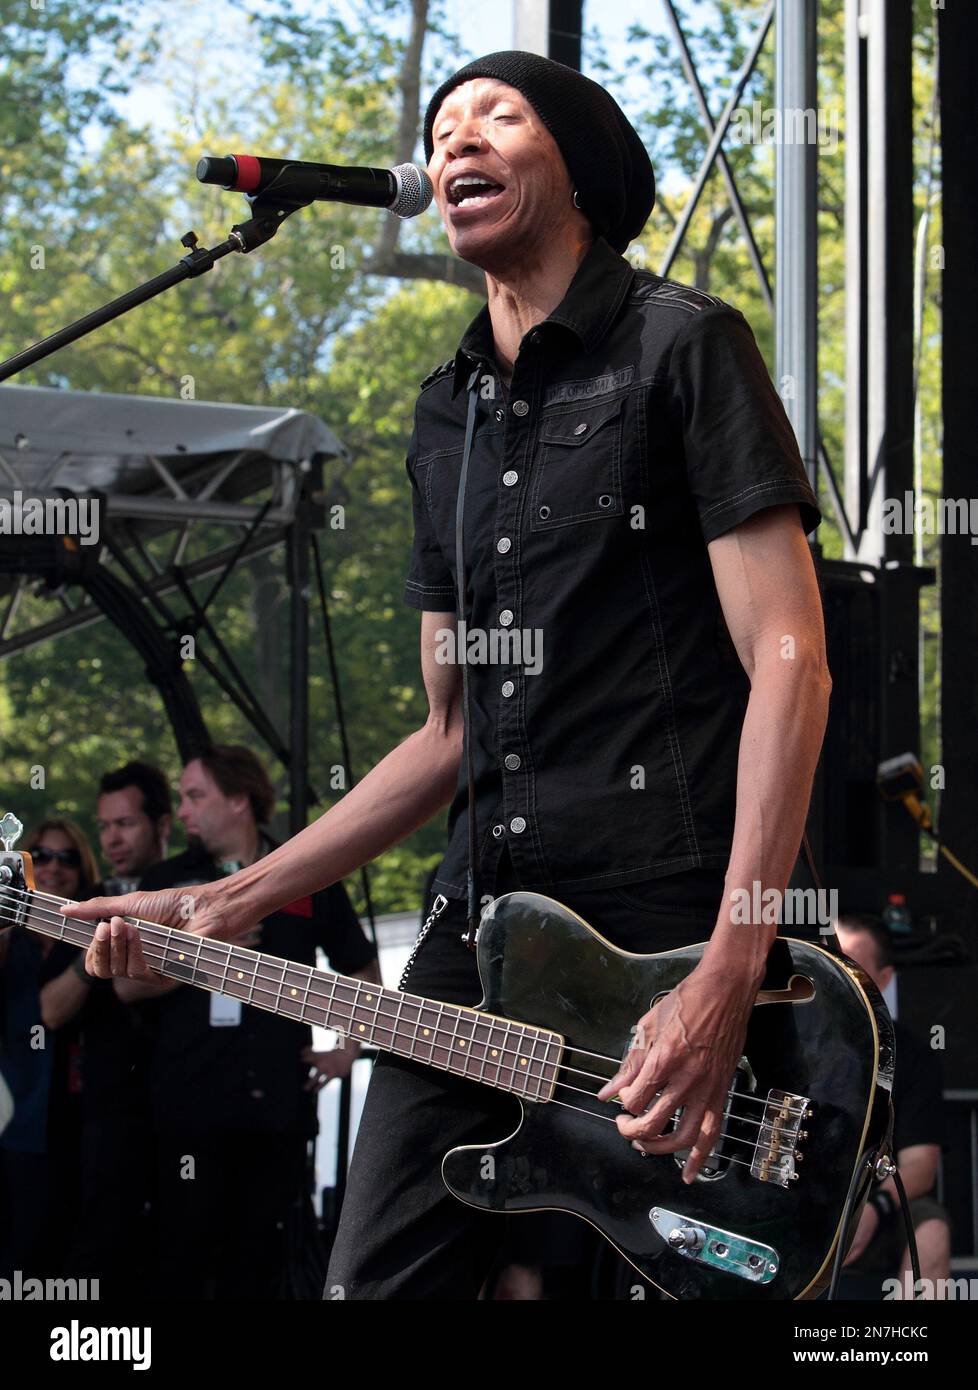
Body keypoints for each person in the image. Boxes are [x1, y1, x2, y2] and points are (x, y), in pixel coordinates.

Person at [70, 51, 831, 1300]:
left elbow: (790, 661)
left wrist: (730, 964)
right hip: (477, 922)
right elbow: (445, 734)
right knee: (371, 1281)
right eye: (440, 126)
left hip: (666, 913)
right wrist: (226, 900)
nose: (454, 139)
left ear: (576, 168)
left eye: (496, 114)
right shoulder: (447, 415)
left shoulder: (684, 346)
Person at [100, 746, 379, 1298]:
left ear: (239, 799)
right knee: (184, 1258)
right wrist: (200, 954)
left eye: (195, 796)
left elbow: (363, 973)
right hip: (189, 1109)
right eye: (180, 798)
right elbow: (124, 985)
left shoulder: (303, 873)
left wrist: (346, 1050)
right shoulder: (168, 881)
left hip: (277, 1109)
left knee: (268, 1263)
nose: (182, 811)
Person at [38, 763, 173, 1294]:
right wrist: (95, 944)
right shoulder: (90, 902)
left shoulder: (196, 887)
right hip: (106, 1114)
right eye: (105, 827)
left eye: (127, 824)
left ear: (162, 826)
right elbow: (48, 1011)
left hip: (192, 1110)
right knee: (97, 1255)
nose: (114, 838)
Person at [0, 818, 98, 1278]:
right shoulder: (9, 936)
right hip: (12, 1123)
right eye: (41, 856)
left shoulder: (98, 935)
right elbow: (49, 1011)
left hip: (75, 1126)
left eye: (68, 857)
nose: (55, 867)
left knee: (63, 1265)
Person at [836, 913, 951, 1297]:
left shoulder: (913, 1056)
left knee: (931, 1231)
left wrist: (874, 1209)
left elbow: (921, 1166)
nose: (838, 974)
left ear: (883, 979)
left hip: (877, 1209)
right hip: (792, 1201)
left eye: (852, 965)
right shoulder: (787, 1037)